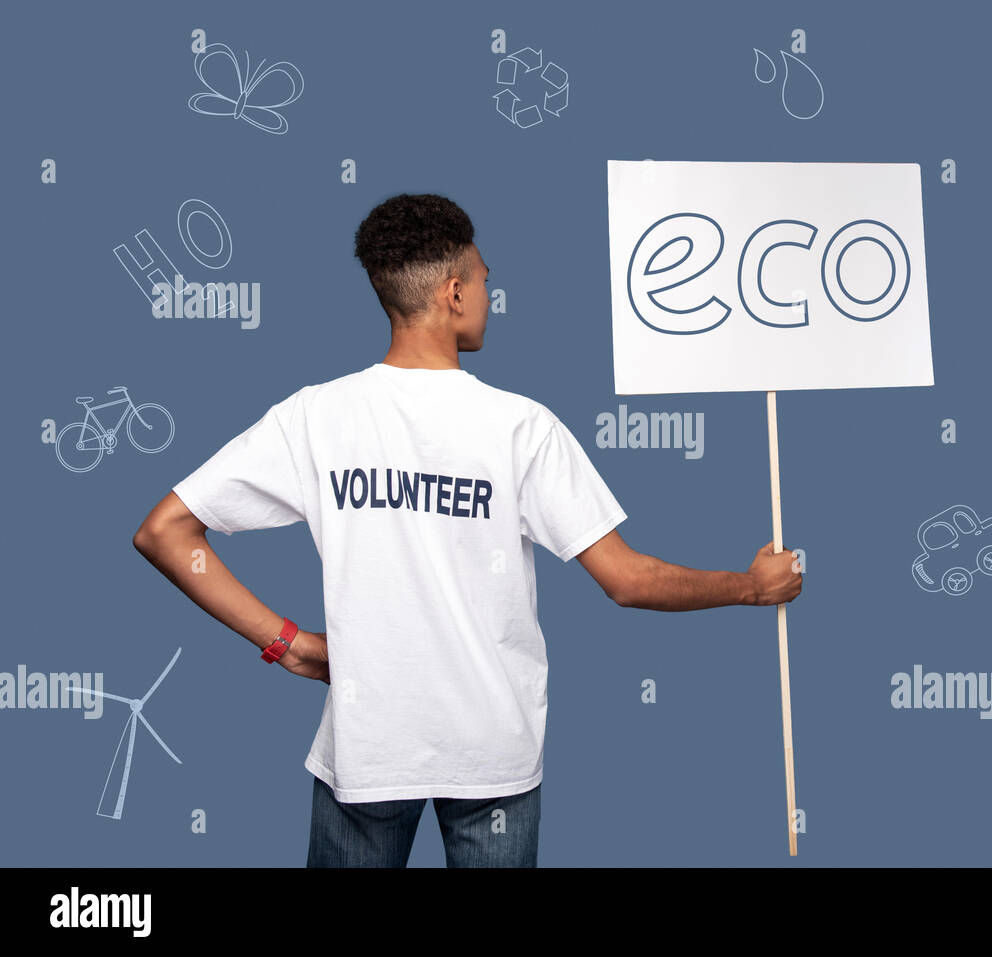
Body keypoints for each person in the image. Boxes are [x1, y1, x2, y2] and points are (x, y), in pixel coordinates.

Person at [131, 193, 803, 868]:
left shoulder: (315, 416)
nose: (490, 289)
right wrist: (750, 585)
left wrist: (290, 644)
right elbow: (627, 580)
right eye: (484, 277)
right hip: (493, 760)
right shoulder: (520, 427)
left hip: (369, 749)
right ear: (453, 292)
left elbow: (165, 531)